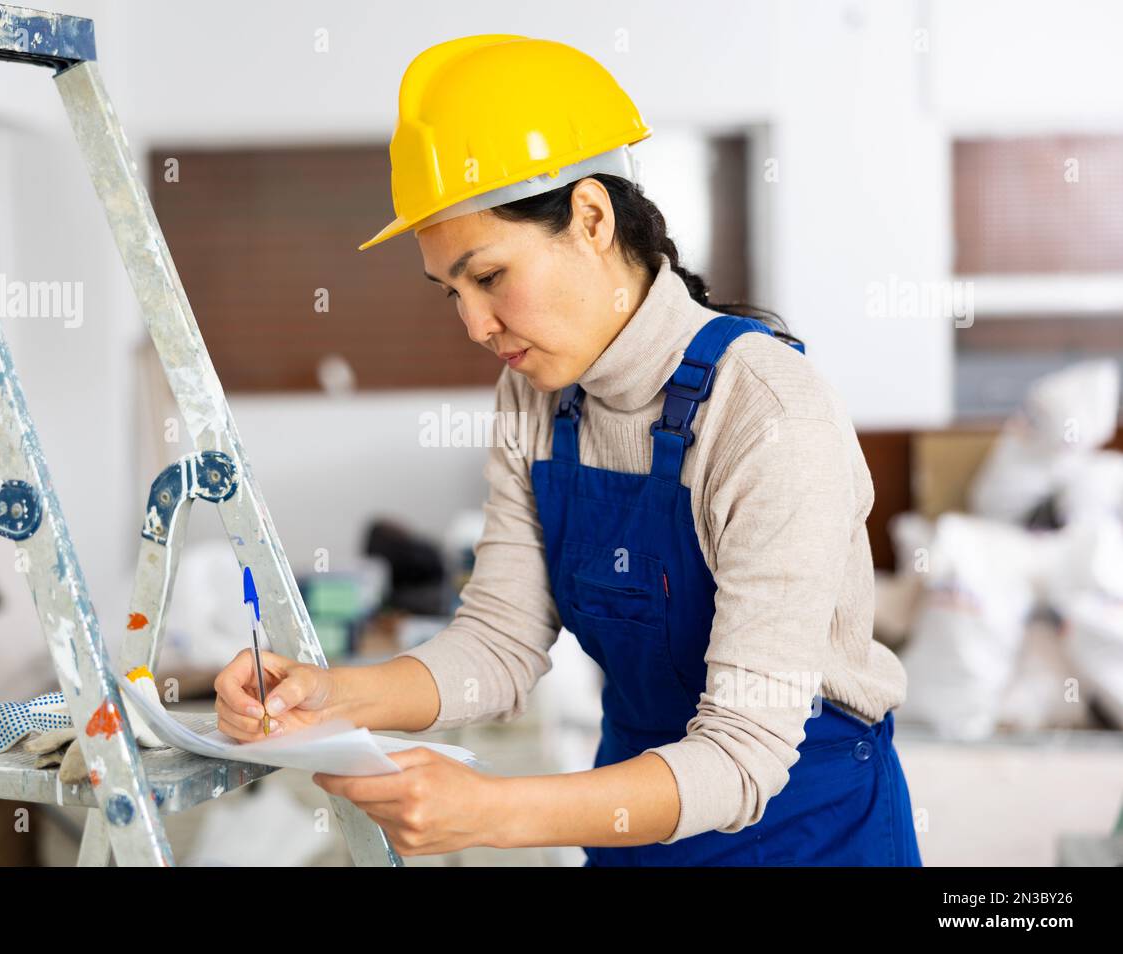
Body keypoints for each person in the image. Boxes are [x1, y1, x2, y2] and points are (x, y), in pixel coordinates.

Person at [213, 33, 923, 866]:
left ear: (591, 217)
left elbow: (742, 757)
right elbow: (501, 643)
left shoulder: (766, 413)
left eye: (489, 277)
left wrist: (490, 814)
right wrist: (334, 693)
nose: (475, 327)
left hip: (806, 831)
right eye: (452, 293)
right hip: (629, 822)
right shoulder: (537, 396)